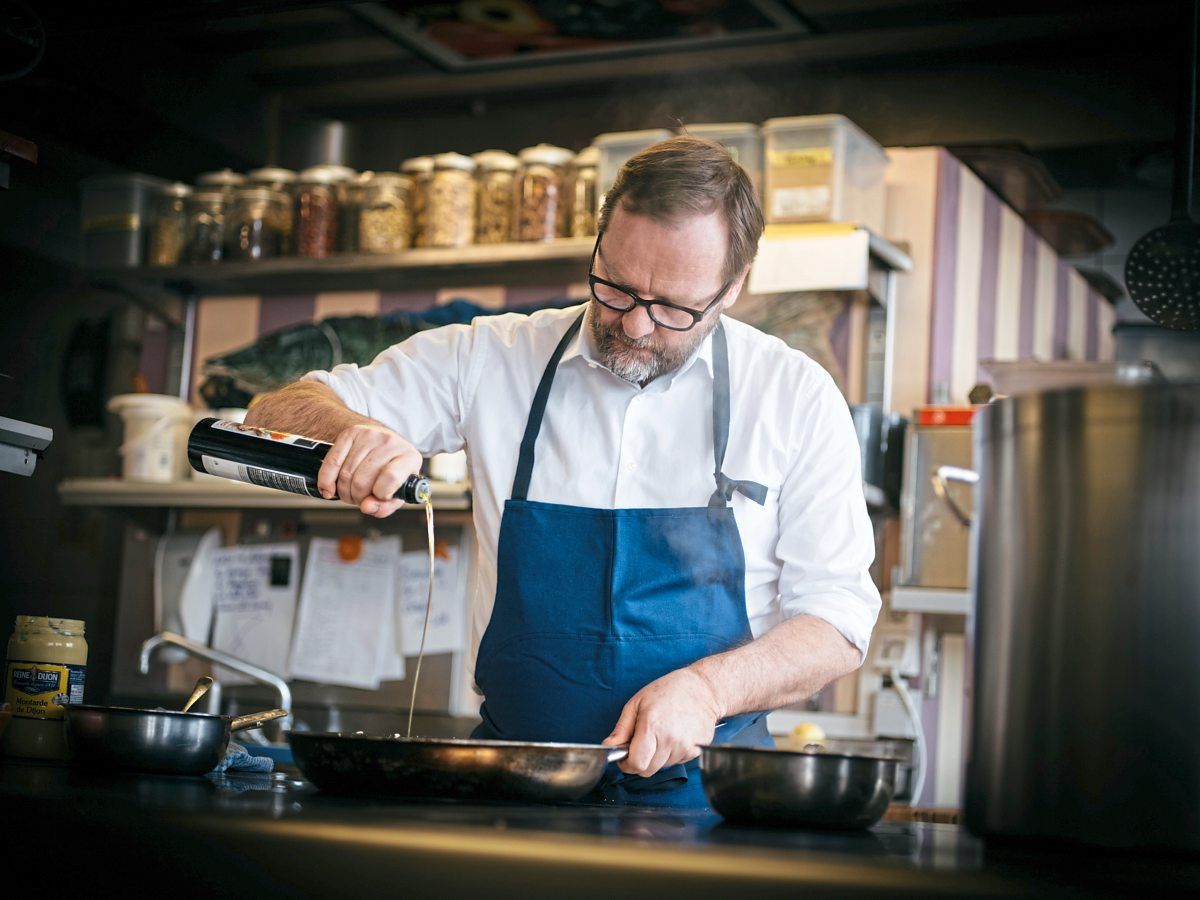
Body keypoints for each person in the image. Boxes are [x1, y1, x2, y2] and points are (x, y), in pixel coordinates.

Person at [246, 136, 880, 808]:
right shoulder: (490, 357)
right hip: (513, 791)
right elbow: (273, 411)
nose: (636, 326)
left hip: (715, 801)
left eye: (673, 308)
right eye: (615, 288)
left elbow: (837, 622)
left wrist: (708, 689)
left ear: (733, 287)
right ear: (598, 242)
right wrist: (354, 433)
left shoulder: (794, 395)